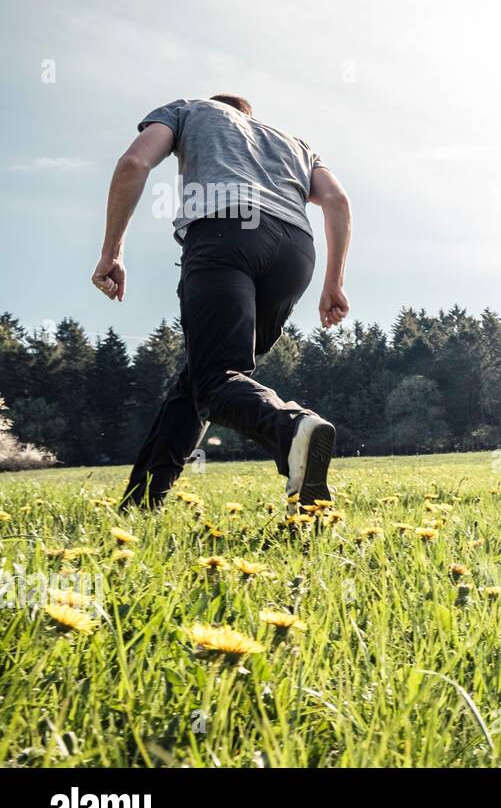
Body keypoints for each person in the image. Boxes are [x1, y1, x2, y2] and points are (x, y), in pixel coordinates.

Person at [92, 94, 350, 511]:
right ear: (250, 116)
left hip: (225, 232)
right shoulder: (294, 143)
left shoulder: (188, 110)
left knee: (215, 379)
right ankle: (142, 501)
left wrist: (112, 252)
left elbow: (134, 164)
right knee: (202, 377)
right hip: (294, 252)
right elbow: (337, 202)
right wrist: (334, 283)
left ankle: (294, 429)